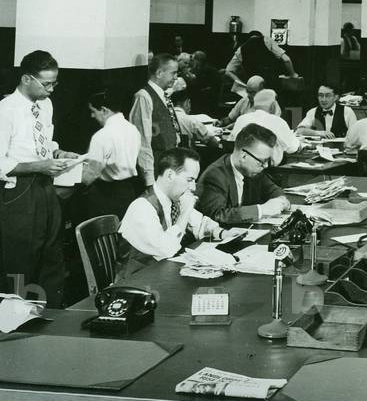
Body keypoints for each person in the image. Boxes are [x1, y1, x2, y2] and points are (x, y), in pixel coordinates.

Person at [0, 51, 78, 305]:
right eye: (46, 84)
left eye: (55, 83)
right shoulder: (6, 110)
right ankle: (15, 324)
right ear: (26, 79)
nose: (52, 89)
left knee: (52, 255)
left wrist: (58, 152)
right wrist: (38, 166)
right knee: (19, 260)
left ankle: (51, 320)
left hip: (46, 188)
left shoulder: (45, 105)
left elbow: (45, 142)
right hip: (18, 193)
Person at [117, 147, 223, 279]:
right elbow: (166, 249)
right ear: (170, 175)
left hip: (162, 277)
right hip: (136, 284)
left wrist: (221, 232)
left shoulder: (174, 200)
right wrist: (185, 212)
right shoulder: (142, 208)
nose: (193, 187)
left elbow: (200, 224)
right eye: (189, 180)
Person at [196, 124, 292, 225]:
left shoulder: (253, 171)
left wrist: (281, 200)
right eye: (262, 161)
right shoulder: (215, 176)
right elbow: (216, 215)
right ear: (244, 156)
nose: (265, 166)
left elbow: (274, 190)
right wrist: (261, 210)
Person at [83, 90, 143, 220]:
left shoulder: (102, 136)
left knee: (104, 237)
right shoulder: (133, 129)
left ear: (104, 110)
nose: (92, 116)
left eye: (93, 111)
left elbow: (90, 176)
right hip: (129, 191)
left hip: (106, 195)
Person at [129, 53, 183, 190]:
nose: (176, 77)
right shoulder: (144, 97)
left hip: (169, 166)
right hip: (156, 170)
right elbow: (142, 141)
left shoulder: (164, 94)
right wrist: (149, 180)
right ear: (159, 73)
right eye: (173, 73)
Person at [232, 89, 301, 165]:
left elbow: (231, 141)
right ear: (273, 105)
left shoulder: (241, 119)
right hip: (266, 168)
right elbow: (292, 148)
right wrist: (299, 143)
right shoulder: (277, 121)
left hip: (242, 165)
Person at [225, 31, 298, 90]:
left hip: (253, 86)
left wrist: (242, 85)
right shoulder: (267, 40)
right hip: (272, 85)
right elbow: (286, 60)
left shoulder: (241, 49)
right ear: (261, 36)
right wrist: (293, 75)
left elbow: (228, 71)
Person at [187, 50, 222, 115]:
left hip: (208, 104)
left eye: (193, 60)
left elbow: (213, 89)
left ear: (197, 60)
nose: (191, 62)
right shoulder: (194, 70)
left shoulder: (212, 72)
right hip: (197, 102)